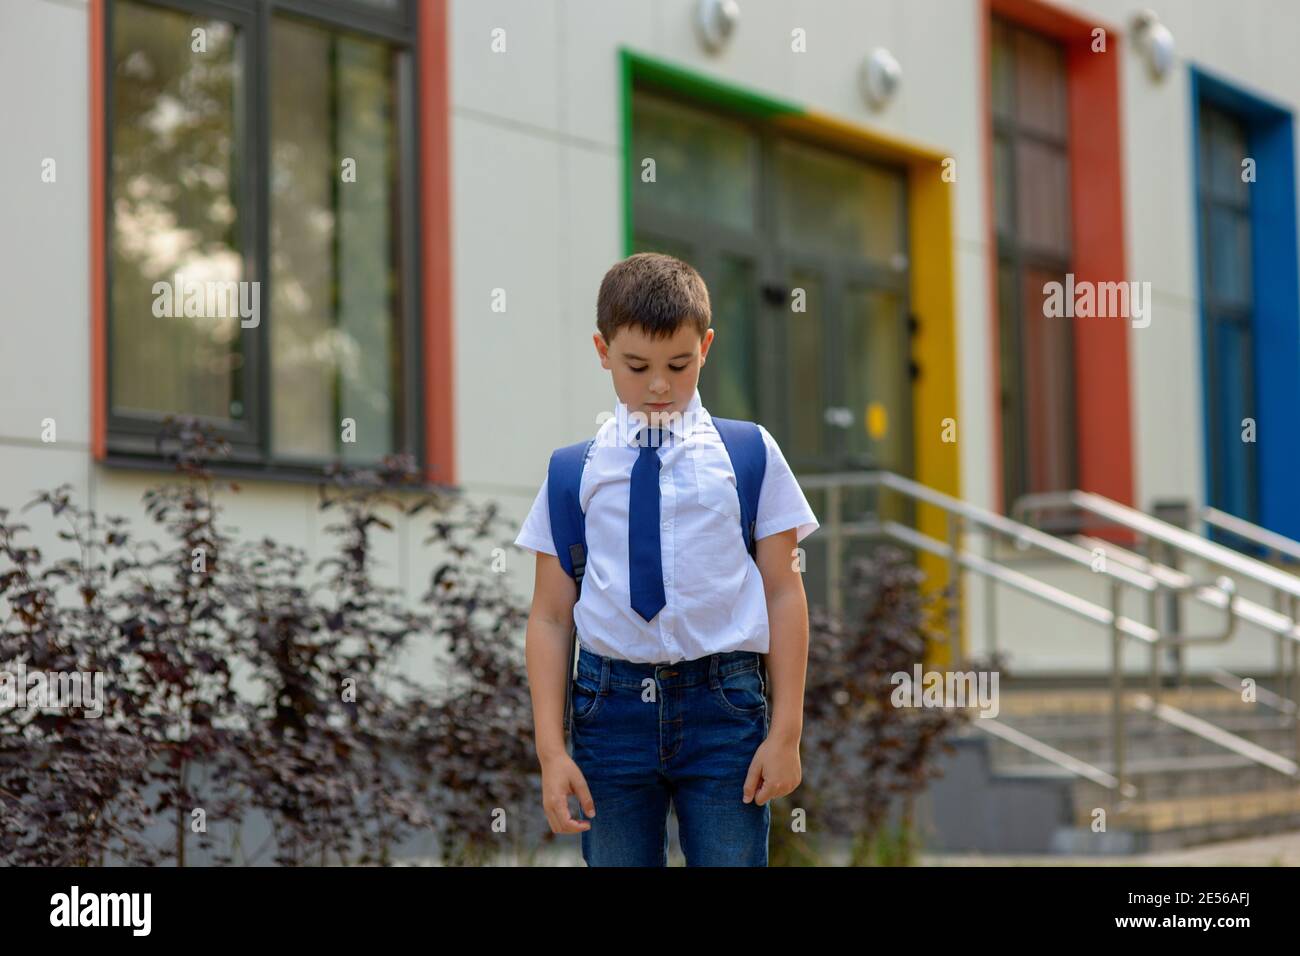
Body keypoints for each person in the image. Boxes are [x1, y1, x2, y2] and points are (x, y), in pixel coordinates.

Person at [513, 252, 819, 866]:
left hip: (724, 707)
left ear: (705, 347)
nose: (658, 385)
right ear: (603, 351)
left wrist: (785, 733)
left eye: (678, 365)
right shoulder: (574, 471)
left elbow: (784, 593)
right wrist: (552, 752)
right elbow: (550, 617)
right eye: (636, 366)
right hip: (610, 710)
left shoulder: (748, 454)